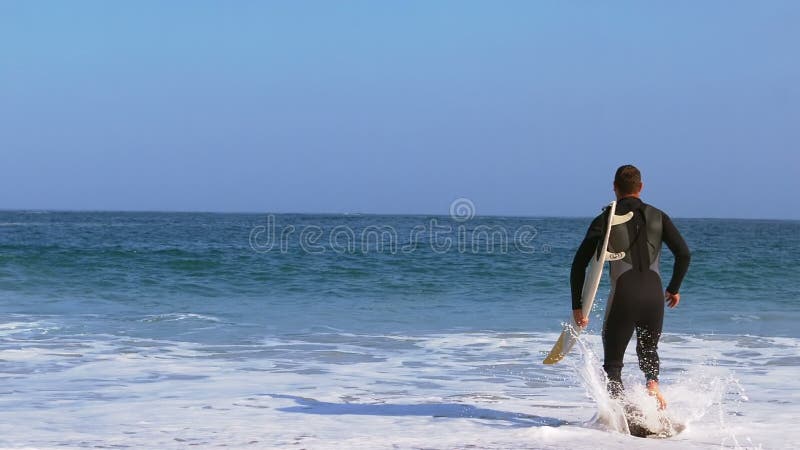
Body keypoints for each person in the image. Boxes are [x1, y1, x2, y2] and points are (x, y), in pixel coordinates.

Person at [570, 165, 690, 410]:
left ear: (615, 187)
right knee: (649, 352)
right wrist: (674, 288)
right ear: (641, 187)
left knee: (613, 366)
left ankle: (620, 418)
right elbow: (684, 254)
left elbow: (578, 266)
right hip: (654, 297)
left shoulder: (604, 219)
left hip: (624, 296)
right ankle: (653, 386)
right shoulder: (659, 216)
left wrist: (578, 306)